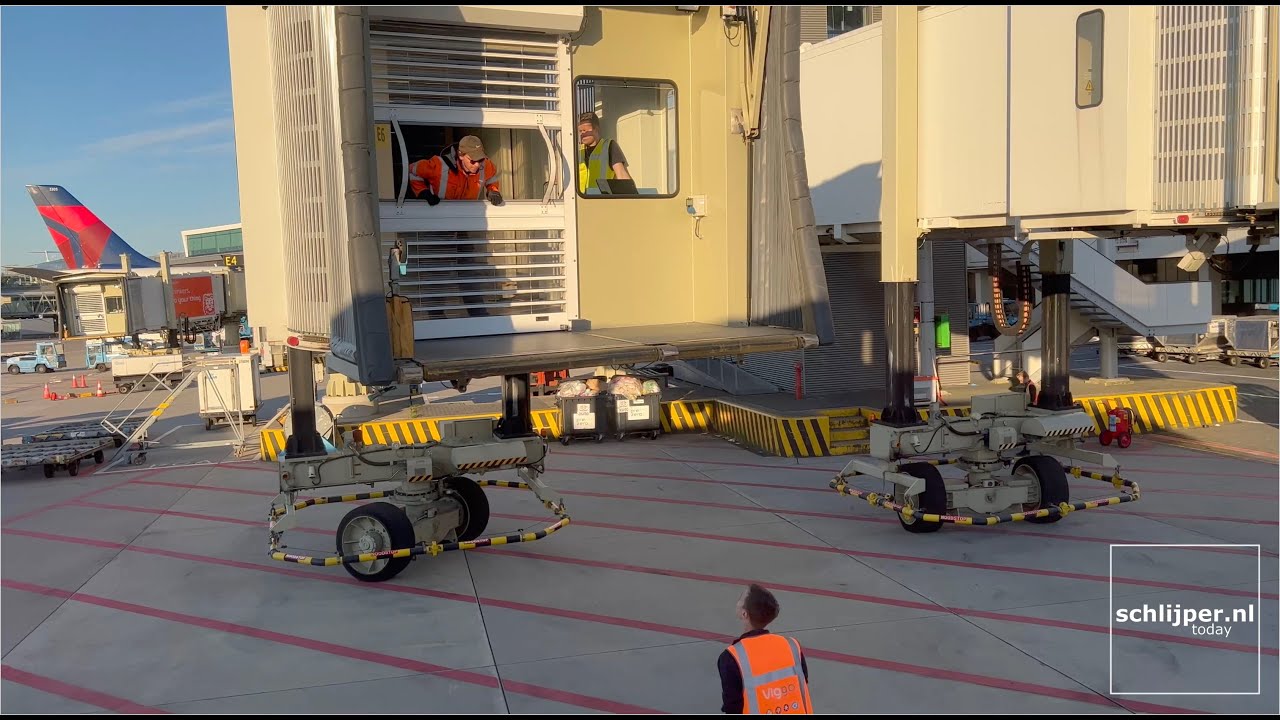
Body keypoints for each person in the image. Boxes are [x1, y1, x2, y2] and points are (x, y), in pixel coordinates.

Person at [719, 584, 812, 714]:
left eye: (740, 599)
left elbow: (732, 707)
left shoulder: (732, 657)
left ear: (744, 613)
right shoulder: (792, 646)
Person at [408, 135, 502, 205]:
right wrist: (423, 192)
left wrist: (493, 190)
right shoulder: (439, 165)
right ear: (461, 155)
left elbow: (491, 179)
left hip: (466, 217)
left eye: (480, 159)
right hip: (438, 216)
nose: (478, 165)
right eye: (473, 161)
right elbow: (412, 171)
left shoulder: (486, 164)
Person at [576, 111, 631, 194]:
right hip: (581, 202)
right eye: (580, 131)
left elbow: (621, 175)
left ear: (596, 129)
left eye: (585, 130)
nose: (582, 134)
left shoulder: (608, 146)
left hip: (602, 200)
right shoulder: (578, 152)